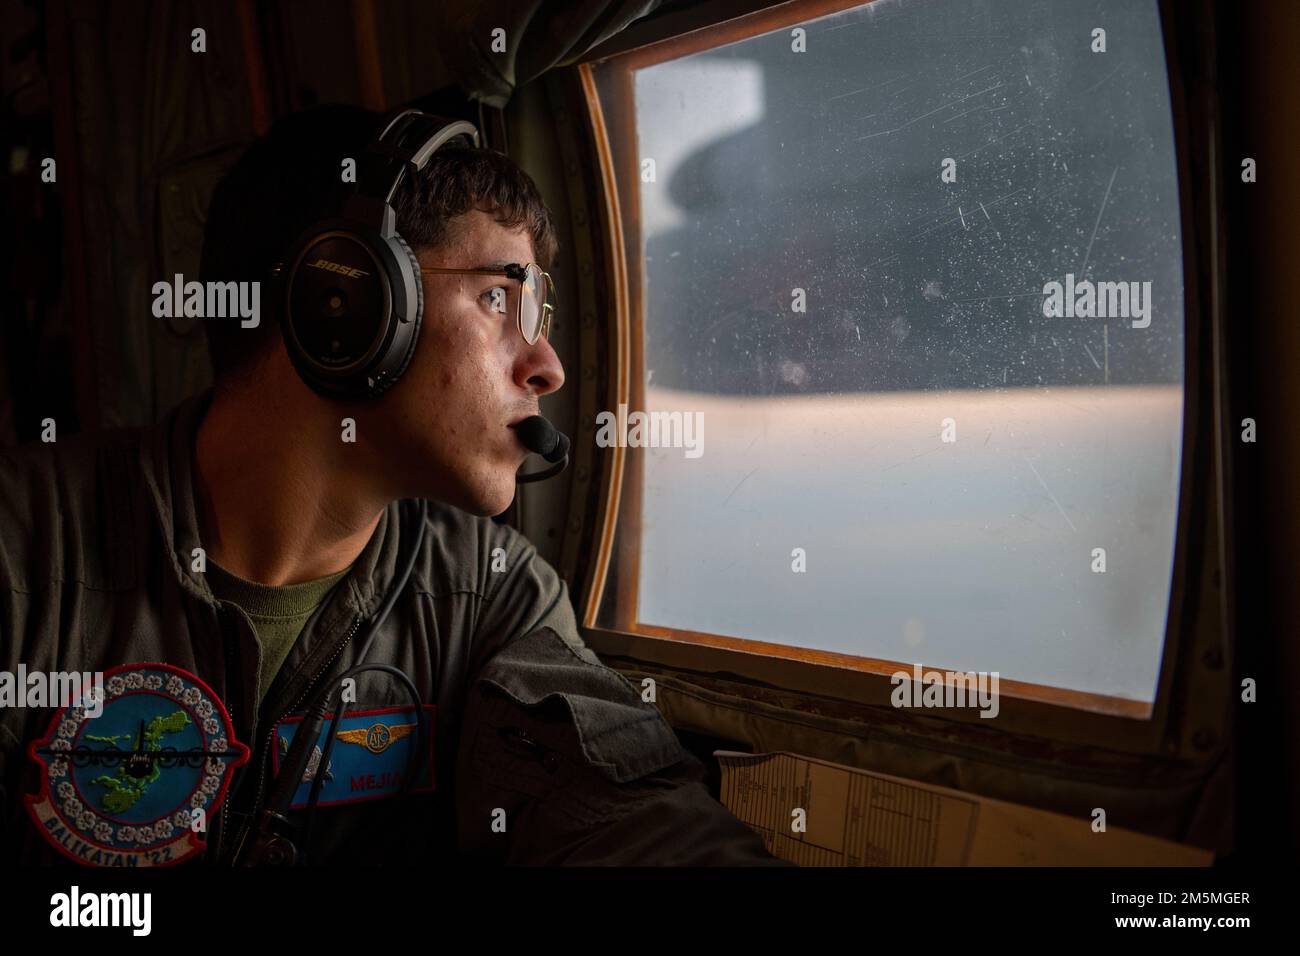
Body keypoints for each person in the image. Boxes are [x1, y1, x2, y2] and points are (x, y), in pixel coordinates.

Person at [0, 105, 790, 866]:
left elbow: (629, 815)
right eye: (499, 298)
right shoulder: (23, 545)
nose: (547, 366)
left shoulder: (491, 595)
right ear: (345, 303)